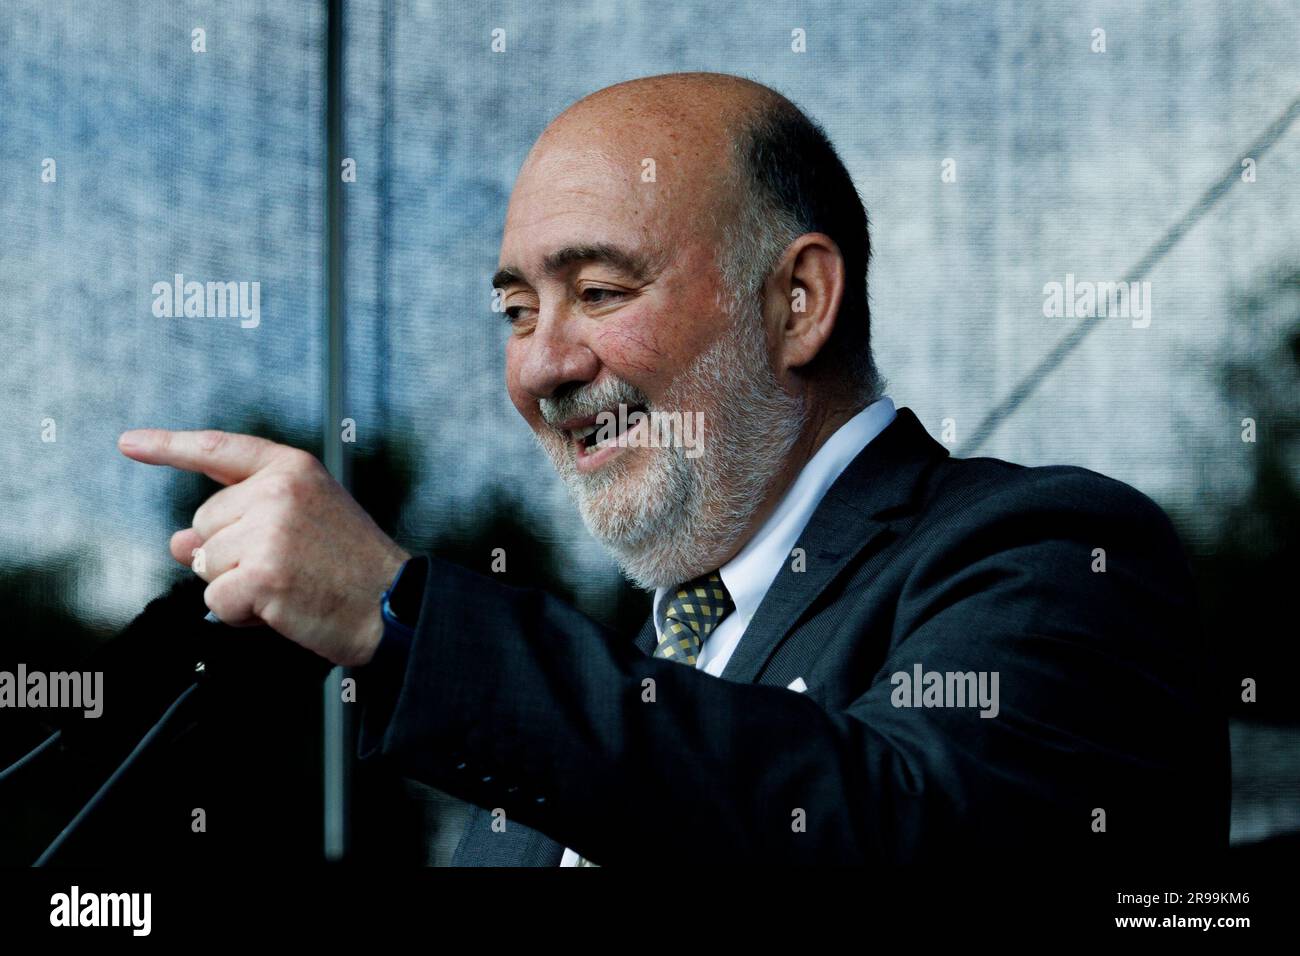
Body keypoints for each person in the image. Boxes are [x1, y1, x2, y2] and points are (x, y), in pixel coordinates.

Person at [118, 72, 1228, 866]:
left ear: (795, 302)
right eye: (515, 310)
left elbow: (898, 831)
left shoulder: (1053, 559)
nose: (542, 364)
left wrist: (402, 617)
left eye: (599, 291)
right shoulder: (592, 709)